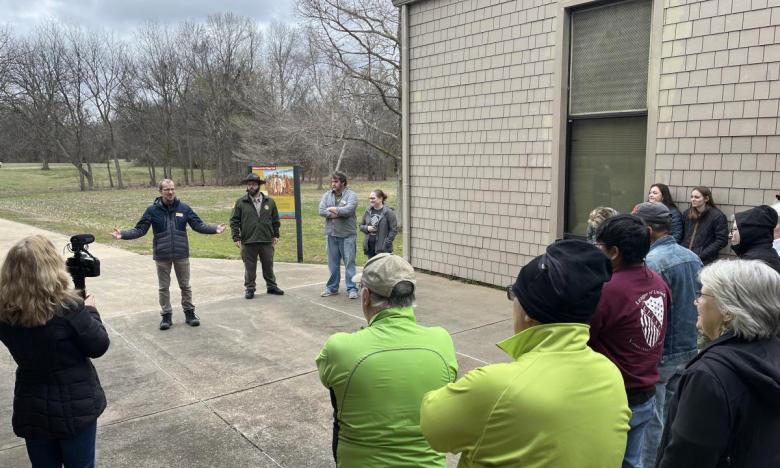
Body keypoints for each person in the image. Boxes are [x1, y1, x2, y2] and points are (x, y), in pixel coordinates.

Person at [421, 240, 631, 468]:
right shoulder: (610, 375)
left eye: (514, 295)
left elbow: (433, 428)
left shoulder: (495, 386)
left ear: (529, 312)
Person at [316, 253, 457, 467]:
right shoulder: (442, 341)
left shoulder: (340, 347)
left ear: (365, 296)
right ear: (411, 297)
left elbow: (327, 378)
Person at [655, 260, 780, 468]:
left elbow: (686, 458)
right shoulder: (772, 352)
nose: (696, 302)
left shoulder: (708, 376)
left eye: (702, 295)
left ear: (728, 311)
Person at [0, 235, 110, 468]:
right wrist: (90, 311)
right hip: (76, 406)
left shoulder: (5, 313)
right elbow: (98, 345)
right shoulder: (69, 308)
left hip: (32, 405)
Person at [590, 214, 671, 468]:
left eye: (599, 246)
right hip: (645, 391)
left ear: (614, 252)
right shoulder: (658, 282)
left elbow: (583, 337)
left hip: (614, 395)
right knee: (632, 461)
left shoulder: (607, 290)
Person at [633, 203, 703, 468]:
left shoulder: (652, 263)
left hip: (662, 355)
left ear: (648, 230)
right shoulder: (692, 257)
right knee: (673, 417)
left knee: (653, 422)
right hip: (689, 349)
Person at [111, 179, 226, 330]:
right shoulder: (152, 210)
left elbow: (198, 225)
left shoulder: (184, 208)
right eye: (166, 189)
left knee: (185, 286)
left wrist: (214, 229)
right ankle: (166, 316)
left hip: (181, 253)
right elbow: (140, 230)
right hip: (162, 254)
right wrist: (123, 234)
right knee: (163, 287)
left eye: (172, 189)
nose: (170, 192)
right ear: (161, 192)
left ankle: (189, 313)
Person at [230, 173, 284, 299]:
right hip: (248, 240)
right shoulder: (240, 202)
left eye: (254, 184)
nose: (251, 187)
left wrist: (276, 234)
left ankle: (271, 286)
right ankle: (250, 289)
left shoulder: (270, 202)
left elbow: (275, 220)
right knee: (250, 268)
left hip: (266, 240)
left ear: (259, 185)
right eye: (249, 184)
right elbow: (234, 221)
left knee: (268, 265)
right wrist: (236, 237)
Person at [318, 171, 359, 299]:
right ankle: (332, 288)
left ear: (343, 183)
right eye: (332, 181)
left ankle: (352, 289)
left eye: (336, 181)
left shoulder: (351, 195)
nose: (333, 184)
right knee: (333, 264)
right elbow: (321, 210)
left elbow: (349, 210)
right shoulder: (327, 195)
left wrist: (333, 209)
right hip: (331, 234)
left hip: (347, 235)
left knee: (349, 263)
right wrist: (335, 214)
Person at [682, 186, 728, 265]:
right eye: (692, 197)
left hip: (705, 261)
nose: (693, 199)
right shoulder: (687, 213)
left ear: (706, 199)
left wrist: (702, 255)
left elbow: (722, 240)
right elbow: (683, 235)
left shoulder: (717, 216)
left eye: (697, 197)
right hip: (685, 258)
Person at [729, 205, 780, 274]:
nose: (730, 235)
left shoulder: (753, 263)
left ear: (750, 232)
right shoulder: (764, 255)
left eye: (735, 229)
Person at [359, 189, 398, 259]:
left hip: (383, 249)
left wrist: (386, 243)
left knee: (382, 266)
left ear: (380, 199)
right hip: (370, 246)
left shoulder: (388, 212)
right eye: (370, 198)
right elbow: (361, 226)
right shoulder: (368, 211)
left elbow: (393, 230)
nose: (371, 200)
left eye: (373, 198)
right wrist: (367, 228)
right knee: (371, 265)